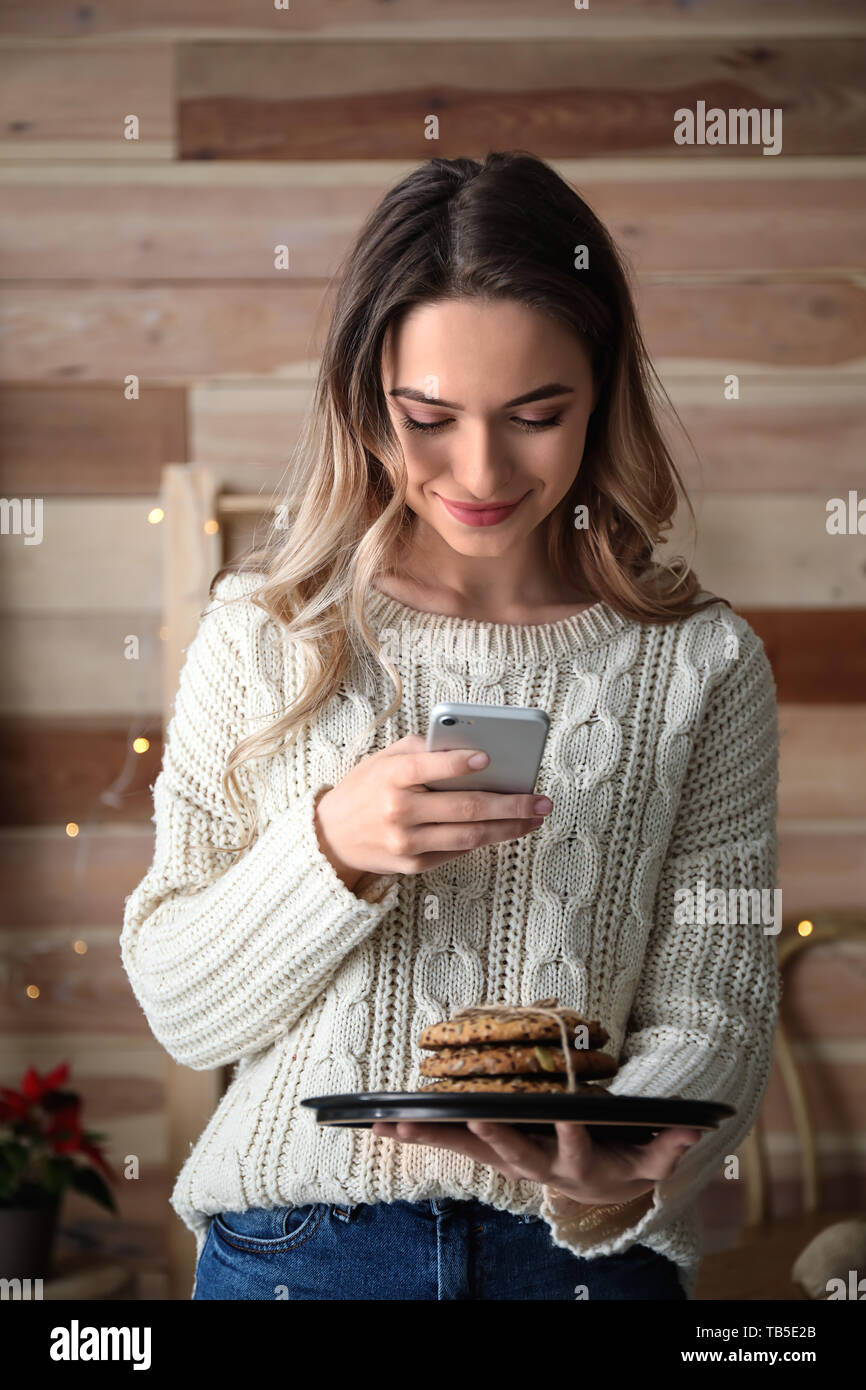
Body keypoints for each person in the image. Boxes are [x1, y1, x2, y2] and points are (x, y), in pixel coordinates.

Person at [120, 151, 780, 1301]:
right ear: (363, 397)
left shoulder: (699, 661)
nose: (479, 469)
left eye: (535, 415)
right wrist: (328, 846)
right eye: (427, 415)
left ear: (601, 393)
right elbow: (183, 1010)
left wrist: (610, 1174)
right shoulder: (264, 635)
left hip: (584, 1268)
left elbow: (713, 999)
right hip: (299, 1256)